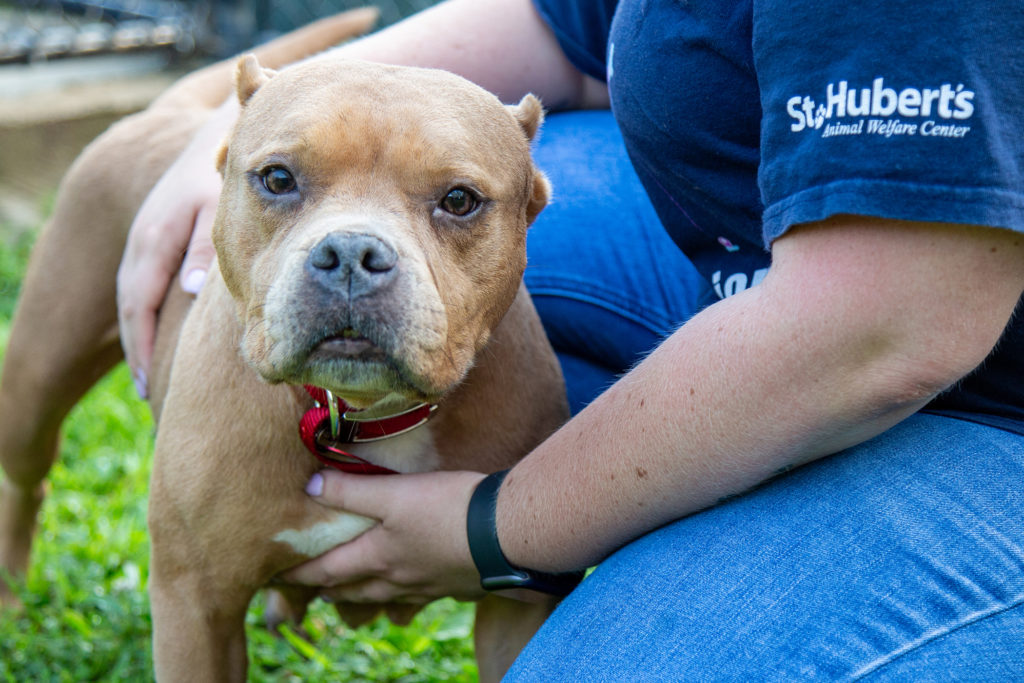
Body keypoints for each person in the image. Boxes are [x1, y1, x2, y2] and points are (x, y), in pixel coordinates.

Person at [118, 0, 1024, 677]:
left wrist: (500, 526)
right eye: (279, 181)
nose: (352, 251)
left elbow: (888, 321)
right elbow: (562, 19)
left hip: (972, 372)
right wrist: (239, 127)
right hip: (755, 233)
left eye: (458, 202)